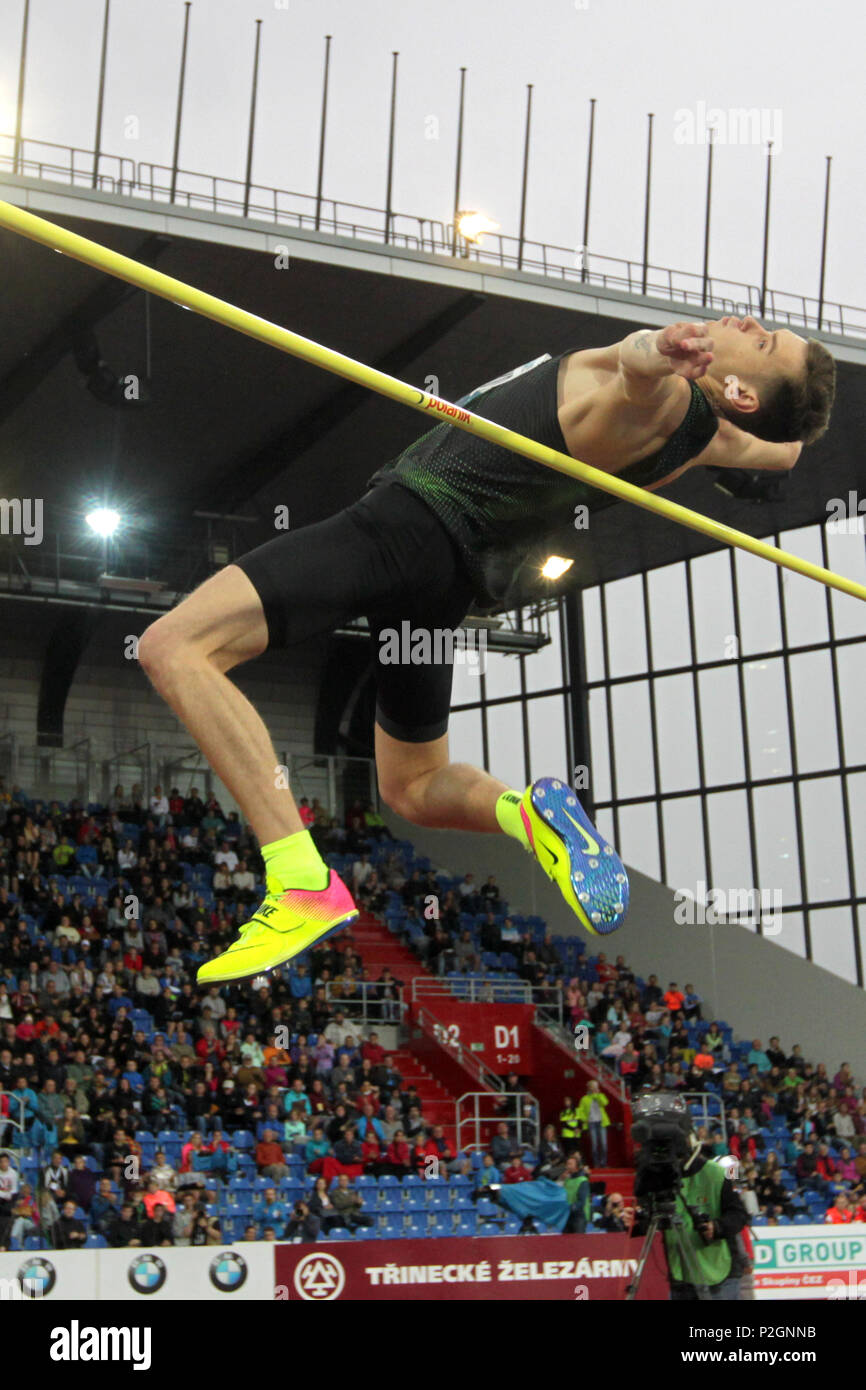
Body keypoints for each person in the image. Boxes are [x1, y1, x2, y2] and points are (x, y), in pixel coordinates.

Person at [135, 317, 836, 981]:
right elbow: (786, 445)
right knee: (412, 786)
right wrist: (753, 448)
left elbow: (636, 369)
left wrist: (661, 351)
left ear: (741, 390)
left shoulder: (663, 401)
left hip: (403, 529)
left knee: (175, 646)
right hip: (446, 577)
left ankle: (298, 880)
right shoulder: (712, 435)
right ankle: (527, 816)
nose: (749, 323)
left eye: (765, 341)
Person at [576, 1080, 611, 1167]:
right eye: (593, 1086)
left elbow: (605, 1103)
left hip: (601, 1122)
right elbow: (580, 1111)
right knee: (594, 1145)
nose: (595, 1088)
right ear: (589, 1087)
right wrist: (585, 1119)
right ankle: (596, 1164)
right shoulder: (584, 1099)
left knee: (604, 1144)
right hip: (591, 1123)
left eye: (596, 1086)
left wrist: (597, 1095)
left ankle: (603, 1163)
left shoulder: (601, 1095)